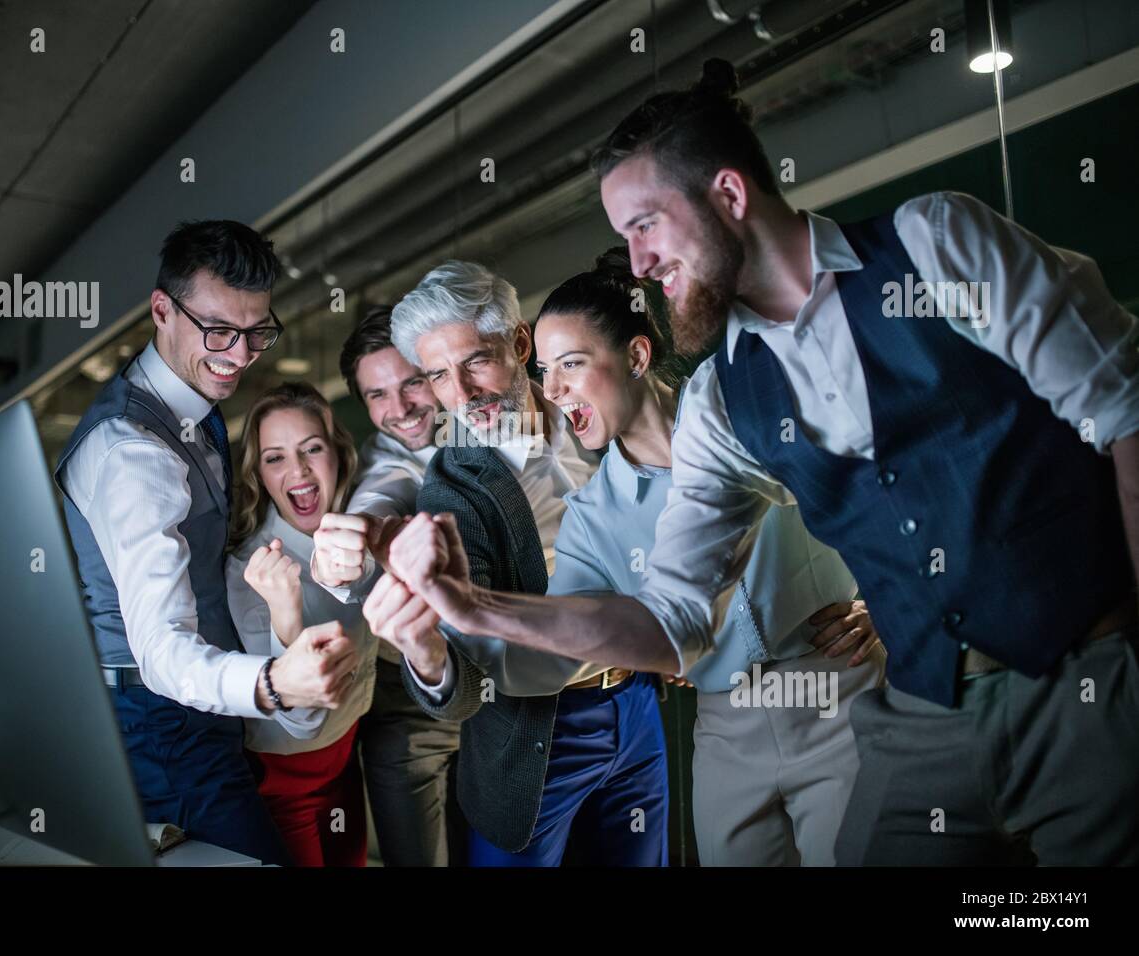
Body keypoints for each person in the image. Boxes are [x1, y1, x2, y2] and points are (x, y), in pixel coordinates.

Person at [373, 58, 1139, 866]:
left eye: (644, 227)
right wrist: (472, 607)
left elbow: (1123, 408)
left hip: (1087, 679)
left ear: (729, 197)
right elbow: (672, 621)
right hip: (924, 715)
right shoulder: (721, 403)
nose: (635, 264)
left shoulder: (935, 243)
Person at [535, 248, 883, 865]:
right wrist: (460, 611)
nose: (551, 388)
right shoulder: (592, 516)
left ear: (637, 356)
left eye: (570, 364)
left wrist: (887, 605)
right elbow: (560, 641)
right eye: (543, 370)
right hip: (723, 728)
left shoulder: (743, 401)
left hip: (838, 690)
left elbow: (875, 481)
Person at [55, 220, 355, 865]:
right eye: (220, 330)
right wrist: (277, 681)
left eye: (256, 332)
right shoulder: (134, 453)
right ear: (162, 310)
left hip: (204, 714)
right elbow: (161, 649)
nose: (241, 354)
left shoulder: (198, 408)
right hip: (162, 717)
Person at [369, 260, 683, 868]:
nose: (460, 396)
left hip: (635, 703)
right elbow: (469, 672)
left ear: (519, 342)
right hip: (533, 737)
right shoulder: (453, 490)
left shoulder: (600, 413)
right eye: (437, 376)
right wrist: (427, 656)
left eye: (474, 363)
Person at [307, 307, 463, 867]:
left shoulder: (494, 436)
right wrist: (353, 543)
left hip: (499, 692)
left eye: (411, 383)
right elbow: (382, 494)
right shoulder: (383, 466)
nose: (398, 410)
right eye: (376, 396)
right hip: (406, 702)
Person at [226, 383, 377, 867]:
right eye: (275, 458)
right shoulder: (251, 570)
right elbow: (300, 719)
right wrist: (286, 613)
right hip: (283, 779)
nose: (298, 471)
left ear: (337, 452)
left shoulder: (364, 525)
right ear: (259, 475)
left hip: (344, 759)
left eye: (312, 448)